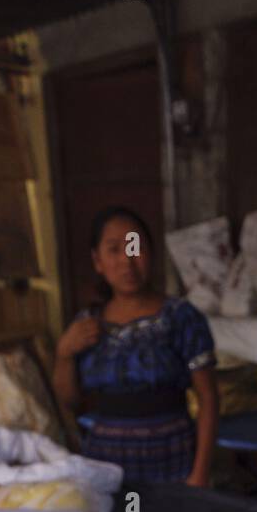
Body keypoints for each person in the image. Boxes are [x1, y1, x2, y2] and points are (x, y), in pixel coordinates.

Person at [53, 206, 218, 486]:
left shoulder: (180, 317)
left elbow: (209, 399)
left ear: (151, 254)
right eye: (114, 250)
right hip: (105, 463)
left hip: (173, 458)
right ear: (97, 261)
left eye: (134, 247)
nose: (127, 261)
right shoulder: (86, 324)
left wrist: (199, 474)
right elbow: (70, 402)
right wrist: (64, 353)